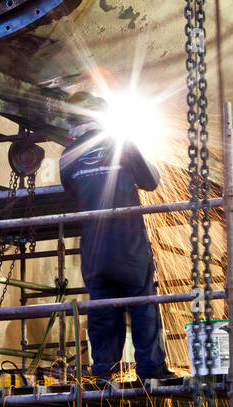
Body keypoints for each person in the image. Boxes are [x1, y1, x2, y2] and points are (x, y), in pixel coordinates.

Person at [60, 93, 172, 382]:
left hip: (94, 249)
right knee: (142, 303)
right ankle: (150, 369)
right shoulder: (122, 144)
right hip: (128, 244)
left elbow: (72, 191)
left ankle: (104, 372)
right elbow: (152, 181)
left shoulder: (67, 156)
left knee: (102, 309)